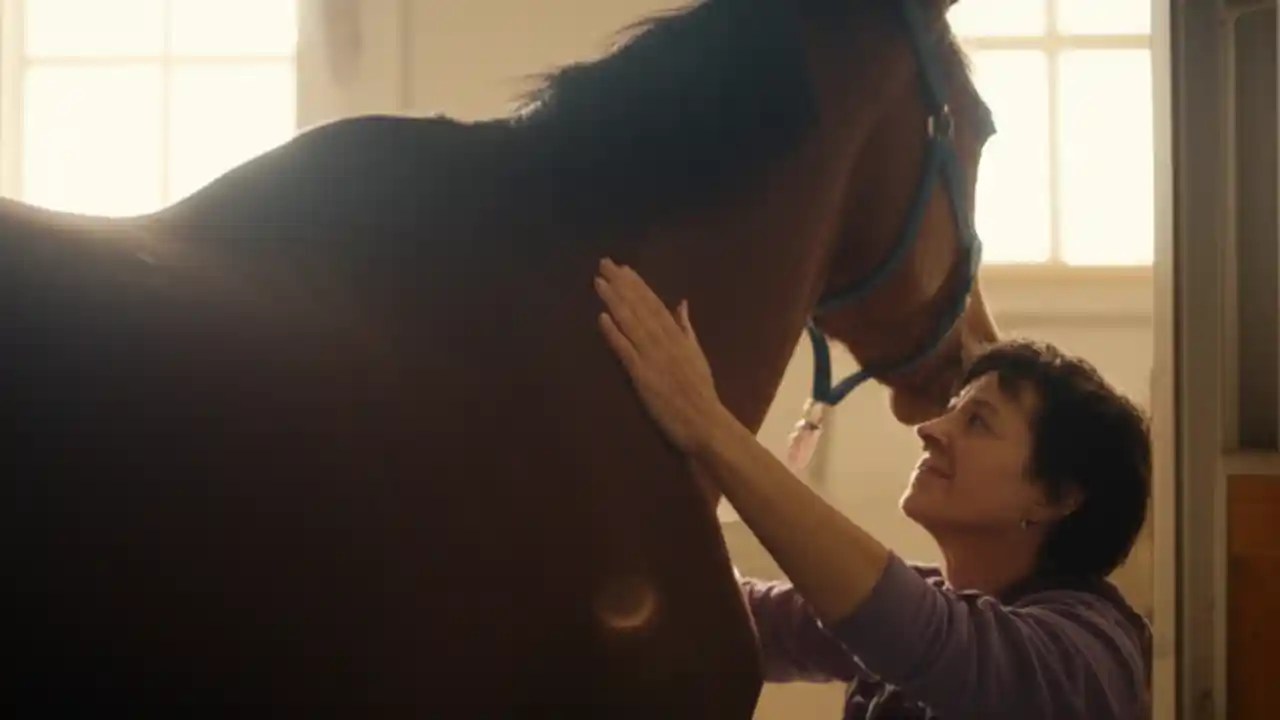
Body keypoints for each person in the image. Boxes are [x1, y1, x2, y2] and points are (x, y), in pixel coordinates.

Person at [592, 258, 1152, 719]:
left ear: (1056, 497)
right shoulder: (939, 604)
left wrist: (707, 425)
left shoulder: (1091, 654)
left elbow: (917, 634)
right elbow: (734, 614)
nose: (929, 429)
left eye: (977, 421)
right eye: (951, 411)